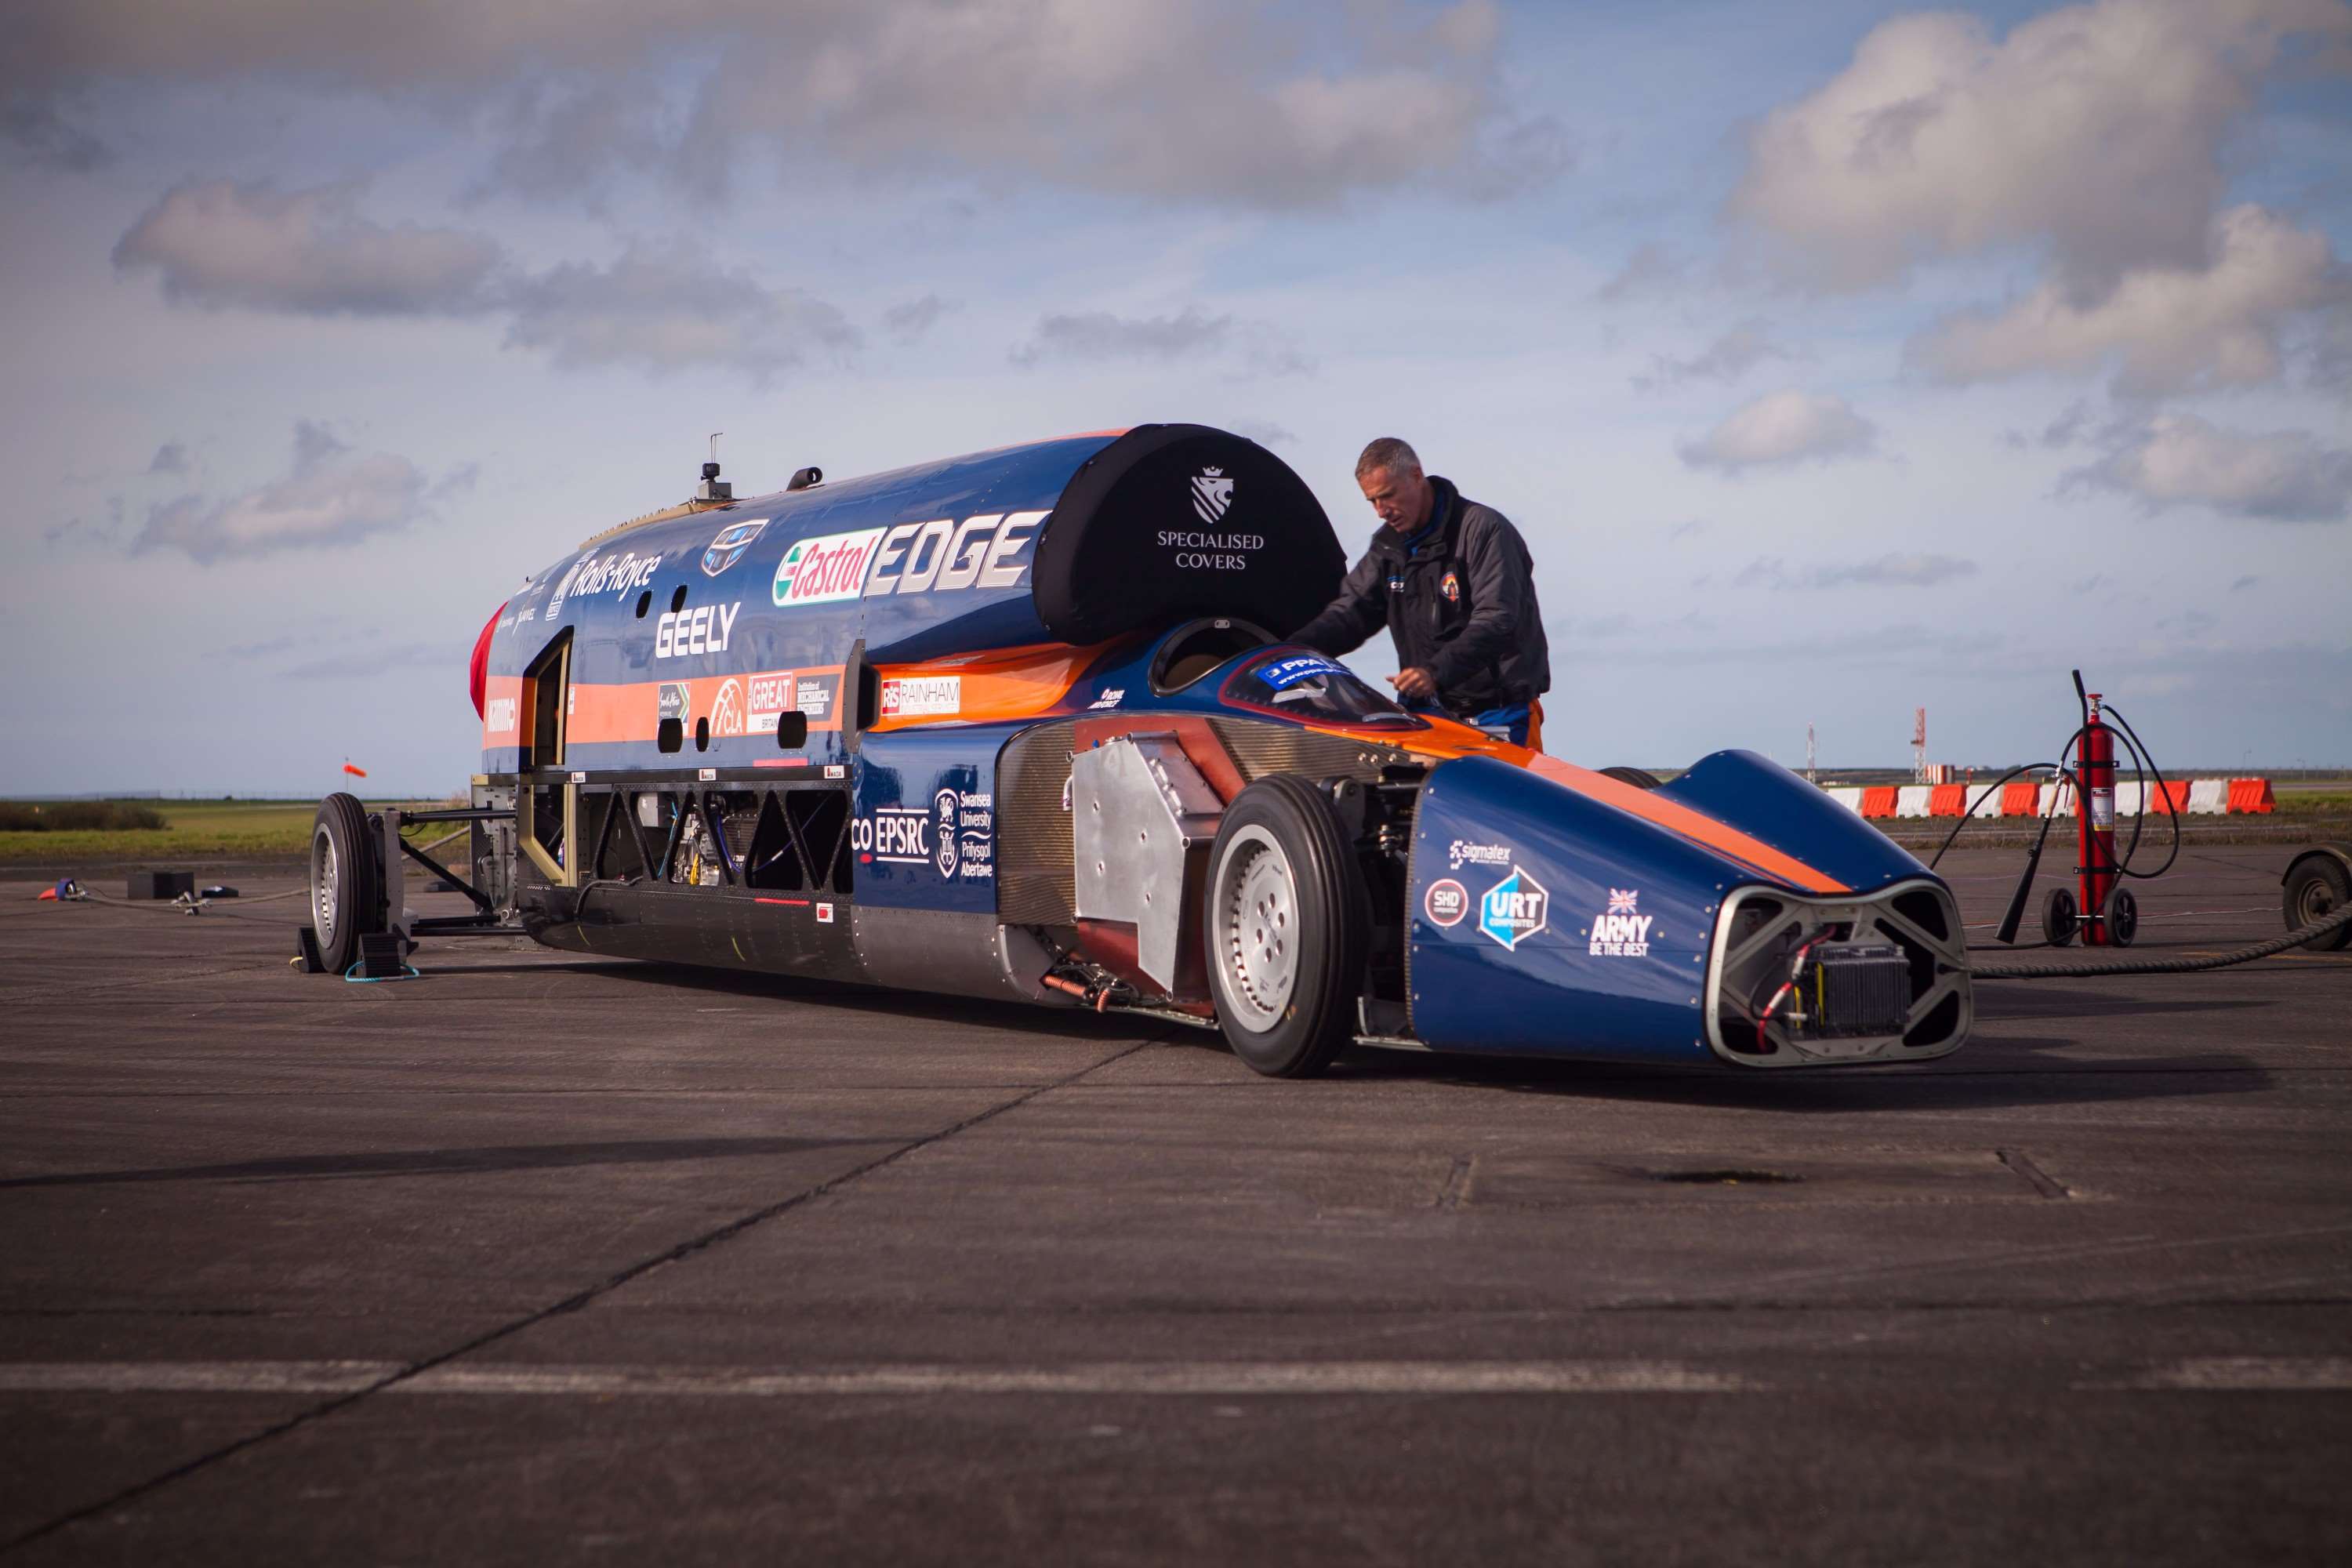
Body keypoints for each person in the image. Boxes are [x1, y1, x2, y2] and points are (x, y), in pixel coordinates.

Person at [1292, 437, 1551, 749]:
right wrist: (1287, 651)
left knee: (1505, 798)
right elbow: (1350, 615)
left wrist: (1435, 672)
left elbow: (1497, 619)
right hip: (1425, 715)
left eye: (1387, 496)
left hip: (1498, 712)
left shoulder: (1483, 529)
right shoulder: (1388, 547)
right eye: (1372, 501)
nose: (1381, 511)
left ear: (1417, 476)